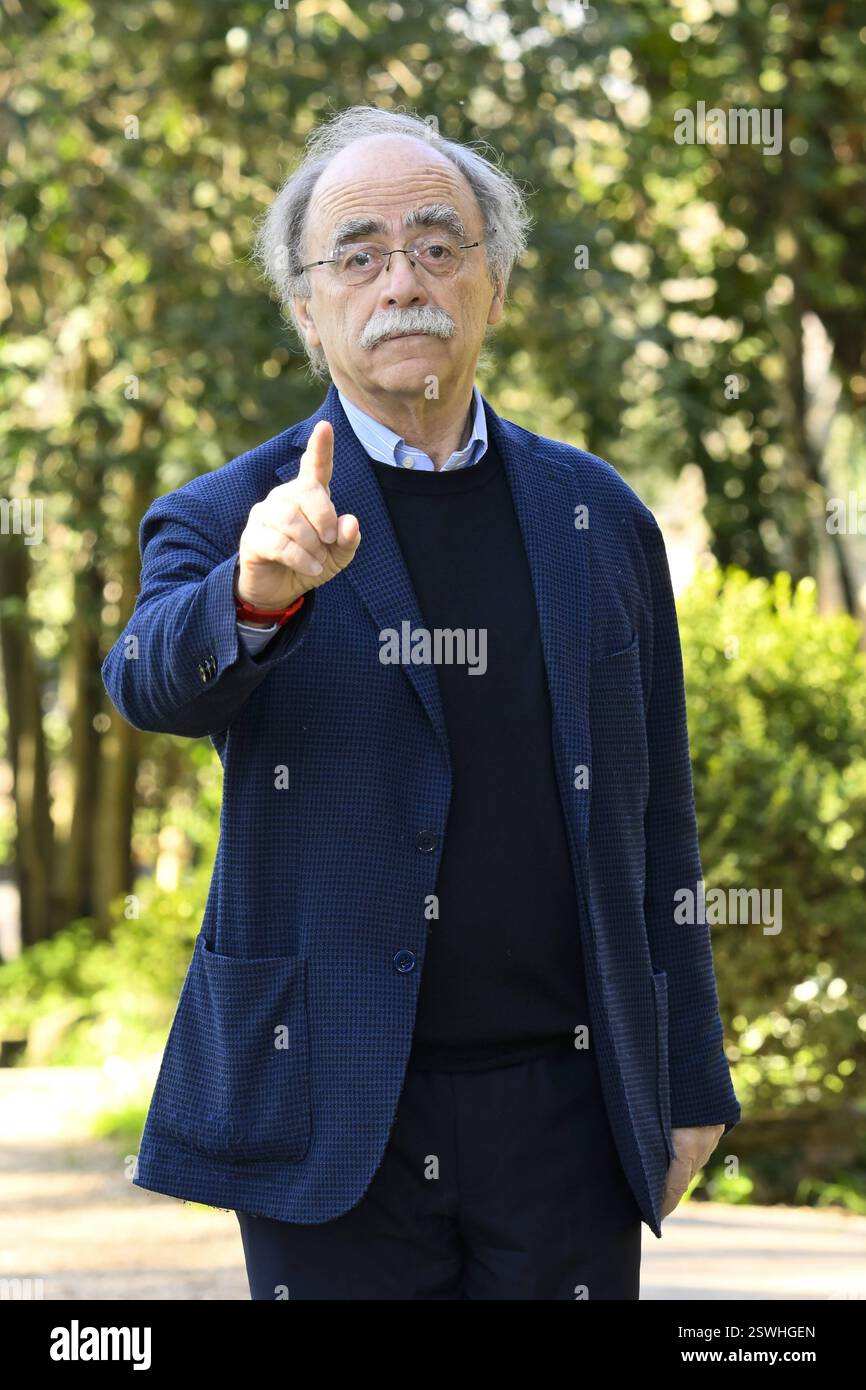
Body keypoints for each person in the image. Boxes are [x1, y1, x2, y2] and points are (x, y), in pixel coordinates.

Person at [102, 105, 740, 1301]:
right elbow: (145, 682)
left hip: (565, 1114)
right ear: (306, 306)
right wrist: (250, 594)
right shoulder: (228, 514)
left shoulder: (598, 519)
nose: (403, 278)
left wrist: (690, 1080)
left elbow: (659, 819)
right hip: (330, 1108)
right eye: (358, 253)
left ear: (493, 285)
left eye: (438, 244)